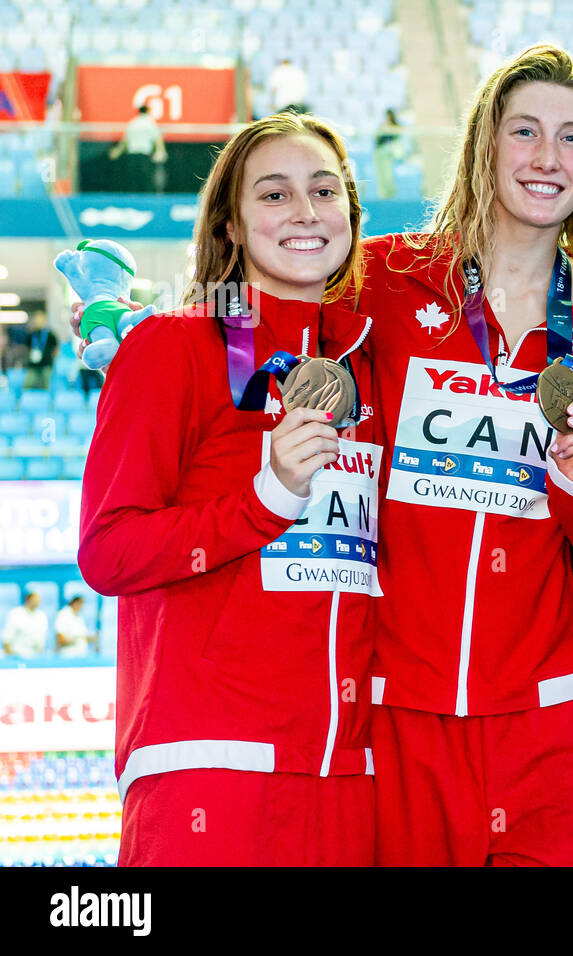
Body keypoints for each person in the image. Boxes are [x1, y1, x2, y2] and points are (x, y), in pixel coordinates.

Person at [355, 45, 573, 866]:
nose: (545, 157)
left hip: (549, 721)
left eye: (572, 139)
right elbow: (267, 346)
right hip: (398, 705)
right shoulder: (382, 279)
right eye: (524, 130)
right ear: (483, 146)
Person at [78, 112, 381, 866]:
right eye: (274, 195)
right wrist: (265, 498)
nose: (306, 213)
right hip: (209, 766)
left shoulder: (371, 364)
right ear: (233, 226)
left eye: (323, 190)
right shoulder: (173, 345)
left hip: (352, 772)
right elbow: (108, 552)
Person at [108, 105, 167, 193]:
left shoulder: (132, 123)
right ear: (147, 112)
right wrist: (162, 151)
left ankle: (133, 200)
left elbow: (125, 141)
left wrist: (117, 151)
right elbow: (157, 140)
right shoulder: (150, 124)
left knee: (133, 181)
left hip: (132, 156)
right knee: (146, 181)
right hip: (144, 156)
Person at [3, 591, 48, 659]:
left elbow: (41, 640)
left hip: (36, 657)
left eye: (38, 600)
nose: (37, 602)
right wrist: (10, 658)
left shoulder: (41, 616)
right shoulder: (15, 614)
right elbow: (7, 638)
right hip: (17, 656)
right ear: (28, 599)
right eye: (35, 599)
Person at [19, 310, 55, 390]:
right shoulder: (32, 334)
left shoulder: (50, 335)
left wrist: (51, 359)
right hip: (33, 364)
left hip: (46, 364)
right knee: (27, 385)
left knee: (46, 386)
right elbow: (27, 348)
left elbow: (55, 349)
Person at [374, 109, 404, 199]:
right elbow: (377, 141)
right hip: (381, 154)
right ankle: (383, 194)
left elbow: (398, 142)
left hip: (391, 156)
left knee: (389, 175)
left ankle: (391, 193)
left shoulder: (396, 128)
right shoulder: (383, 126)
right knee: (382, 175)